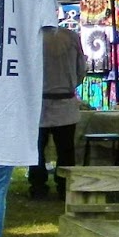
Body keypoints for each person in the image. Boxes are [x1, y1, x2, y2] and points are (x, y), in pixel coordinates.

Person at [30, 24, 88, 201]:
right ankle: (64, 186)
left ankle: (38, 186)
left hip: (41, 101)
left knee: (37, 149)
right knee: (65, 150)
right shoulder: (70, 37)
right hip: (61, 100)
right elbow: (81, 69)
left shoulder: (33, 36)